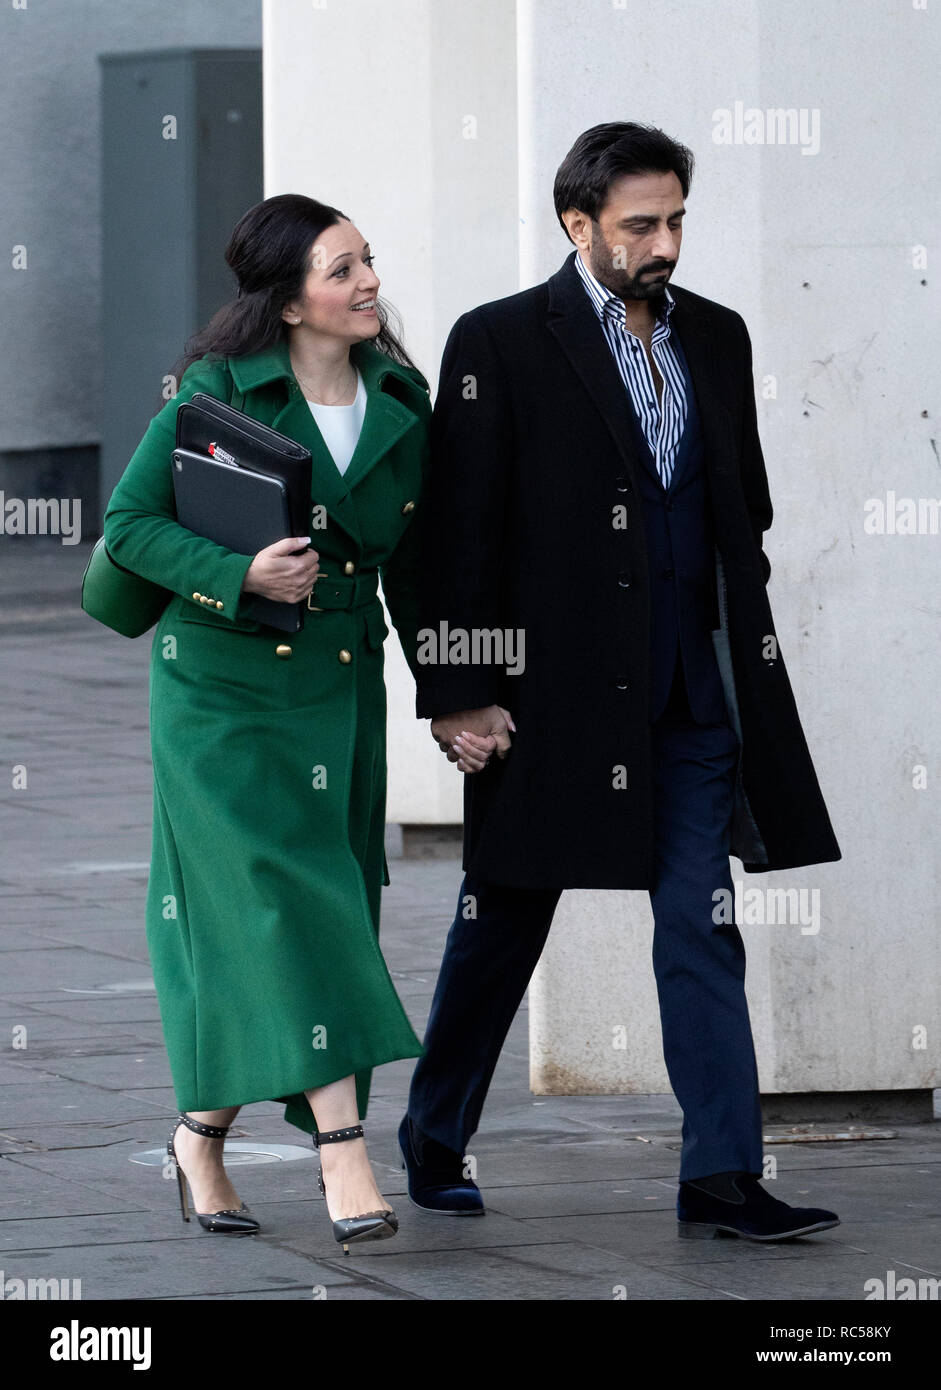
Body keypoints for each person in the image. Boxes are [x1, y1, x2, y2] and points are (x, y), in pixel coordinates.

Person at [400, 123, 843, 1242]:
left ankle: (720, 1176)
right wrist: (459, 691)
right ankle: (434, 1131)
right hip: (544, 704)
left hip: (691, 695)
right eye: (639, 224)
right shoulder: (497, 342)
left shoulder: (720, 339)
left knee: (700, 923)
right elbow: (458, 533)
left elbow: (738, 505)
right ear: (577, 223)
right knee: (500, 919)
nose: (663, 244)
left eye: (675, 220)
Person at [104, 194, 476, 1250]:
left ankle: (199, 1137)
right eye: (340, 268)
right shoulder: (216, 392)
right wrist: (236, 571)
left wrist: (447, 692)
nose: (367, 283)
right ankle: (343, 1151)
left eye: (367, 262)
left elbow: (416, 568)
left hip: (335, 687)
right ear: (288, 299)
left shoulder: (399, 397)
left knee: (321, 905)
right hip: (217, 691)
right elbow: (128, 527)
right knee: (286, 905)